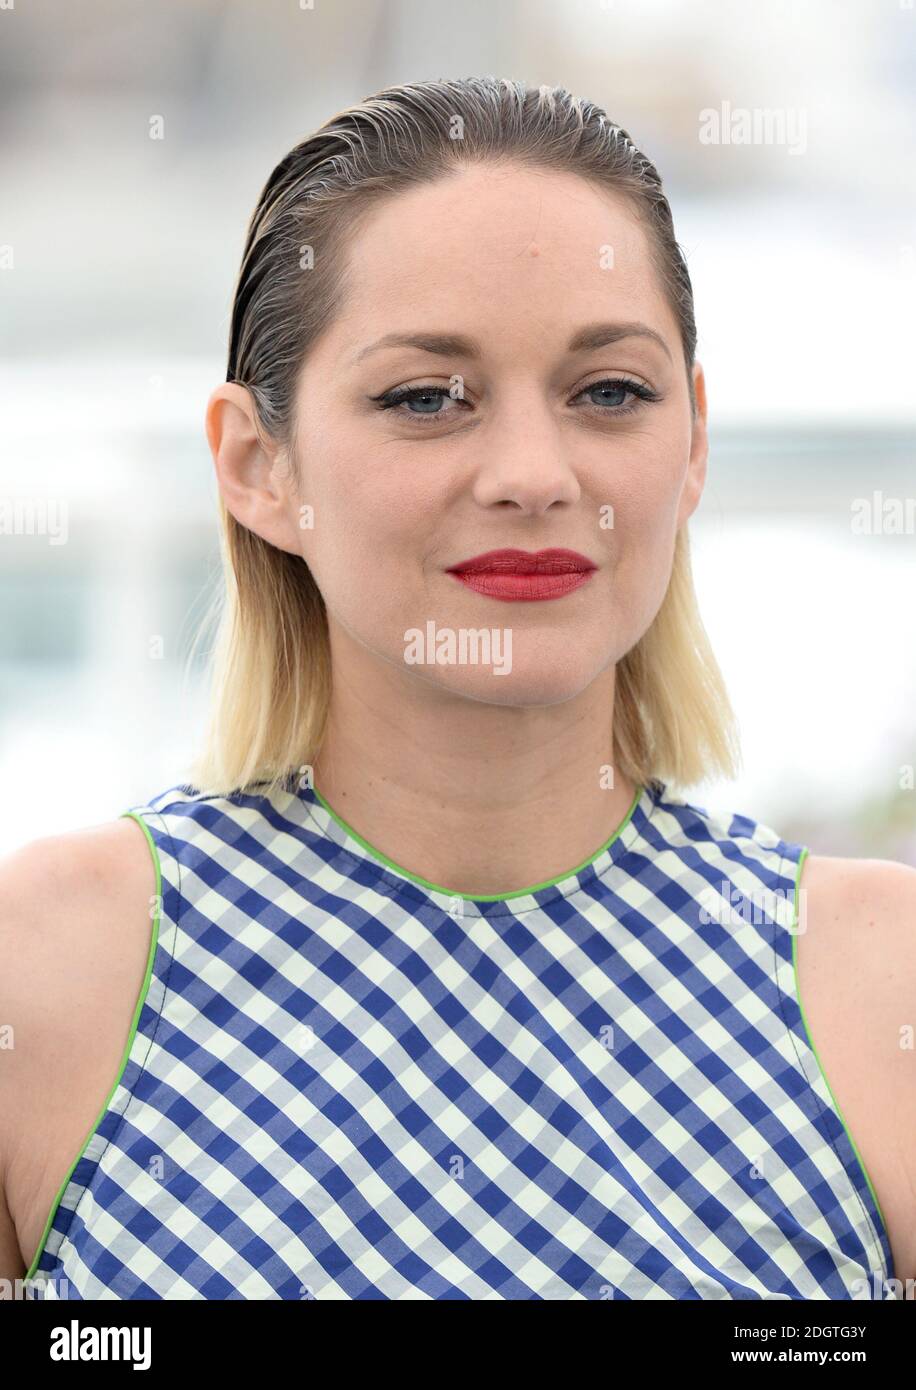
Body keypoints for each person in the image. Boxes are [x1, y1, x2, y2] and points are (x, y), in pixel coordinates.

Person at [1, 76, 913, 1301]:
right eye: (425, 397)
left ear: (691, 443)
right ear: (258, 465)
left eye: (609, 393)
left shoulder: (872, 979)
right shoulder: (53, 965)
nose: (534, 475)